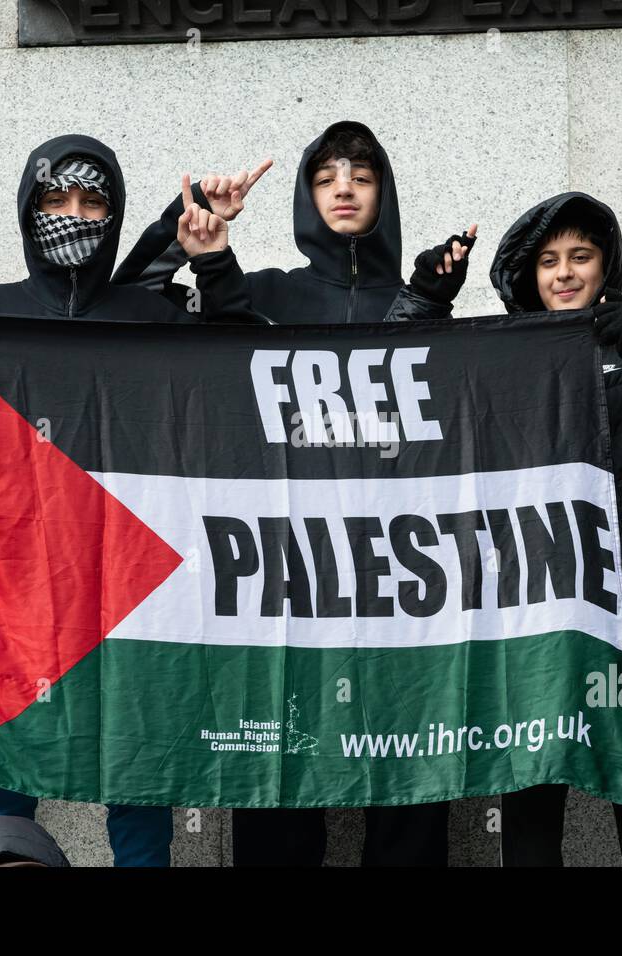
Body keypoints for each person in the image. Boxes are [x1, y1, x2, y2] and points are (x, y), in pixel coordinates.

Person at [0, 134, 256, 867]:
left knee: (141, 794)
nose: (74, 214)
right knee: (4, 794)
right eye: (56, 199)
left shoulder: (152, 315)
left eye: (93, 200)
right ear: (29, 211)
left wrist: (214, 259)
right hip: (20, 604)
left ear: (116, 212)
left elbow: (241, 373)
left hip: (140, 597)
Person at [115, 121, 461, 866]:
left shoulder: (422, 296)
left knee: (407, 782)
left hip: (395, 589)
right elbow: (133, 303)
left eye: (361, 177)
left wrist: (434, 304)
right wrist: (193, 236)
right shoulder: (258, 290)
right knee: (274, 789)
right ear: (308, 196)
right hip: (279, 586)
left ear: (383, 195)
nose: (343, 188)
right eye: (327, 177)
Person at [388, 191, 622, 865]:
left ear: (602, 266)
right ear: (527, 277)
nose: (563, 272)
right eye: (548, 260)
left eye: (580, 256)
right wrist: (425, 298)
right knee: (529, 805)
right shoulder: (495, 362)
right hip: (531, 619)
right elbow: (393, 412)